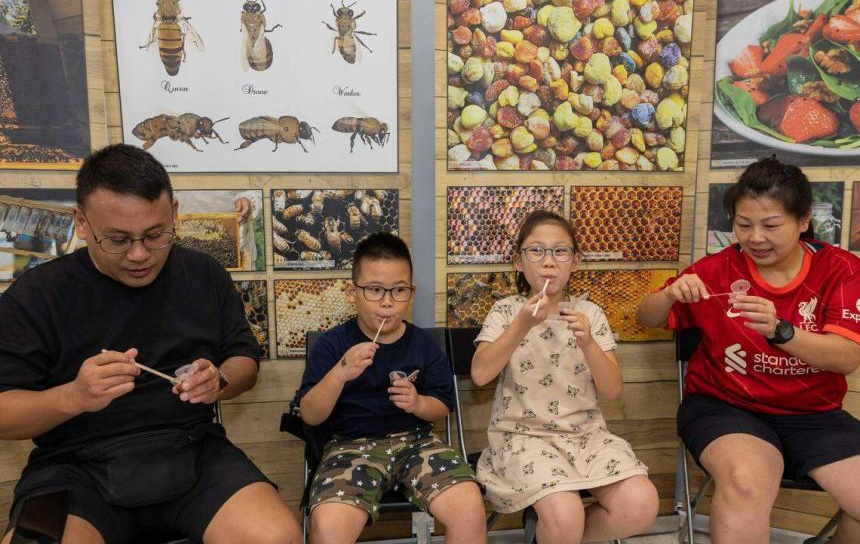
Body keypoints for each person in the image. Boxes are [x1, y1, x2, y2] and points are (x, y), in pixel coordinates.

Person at [0, 144, 301, 544]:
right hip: (71, 470)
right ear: (82, 222)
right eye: (118, 239)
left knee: (277, 537)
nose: (139, 255)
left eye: (155, 235)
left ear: (174, 213)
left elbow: (243, 362)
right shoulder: (36, 295)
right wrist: (74, 396)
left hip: (194, 453)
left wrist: (220, 380)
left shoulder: (204, 275)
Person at [638, 156, 860, 544]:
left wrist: (781, 331)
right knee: (745, 481)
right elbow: (647, 316)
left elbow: (846, 358)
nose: (755, 237)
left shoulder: (839, 269)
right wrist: (671, 294)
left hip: (814, 414)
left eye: (771, 225)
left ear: (803, 220)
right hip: (725, 407)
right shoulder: (717, 269)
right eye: (743, 225)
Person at [471, 210, 658, 544]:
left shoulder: (589, 314)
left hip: (586, 437)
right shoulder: (506, 311)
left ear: (576, 262)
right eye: (536, 251)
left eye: (560, 252)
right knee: (564, 514)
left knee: (641, 504)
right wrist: (522, 325)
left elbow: (612, 390)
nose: (548, 262)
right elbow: (481, 374)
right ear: (518, 261)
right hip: (522, 439)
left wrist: (587, 342)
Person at [296, 232, 486, 544]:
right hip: (349, 446)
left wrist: (417, 404)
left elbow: (442, 404)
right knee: (328, 525)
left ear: (411, 294)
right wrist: (341, 372)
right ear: (351, 293)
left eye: (398, 290)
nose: (387, 301)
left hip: (418, 442)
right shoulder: (332, 345)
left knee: (470, 508)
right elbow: (310, 415)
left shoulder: (423, 345)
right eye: (374, 290)